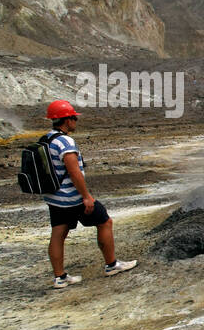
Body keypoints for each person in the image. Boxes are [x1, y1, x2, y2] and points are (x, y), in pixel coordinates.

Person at [42, 100, 137, 289]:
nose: (76, 121)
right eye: (74, 118)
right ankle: (111, 265)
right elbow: (74, 171)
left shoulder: (46, 139)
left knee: (58, 233)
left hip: (54, 197)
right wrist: (86, 196)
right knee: (104, 222)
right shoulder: (65, 142)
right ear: (66, 120)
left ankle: (59, 278)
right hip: (72, 197)